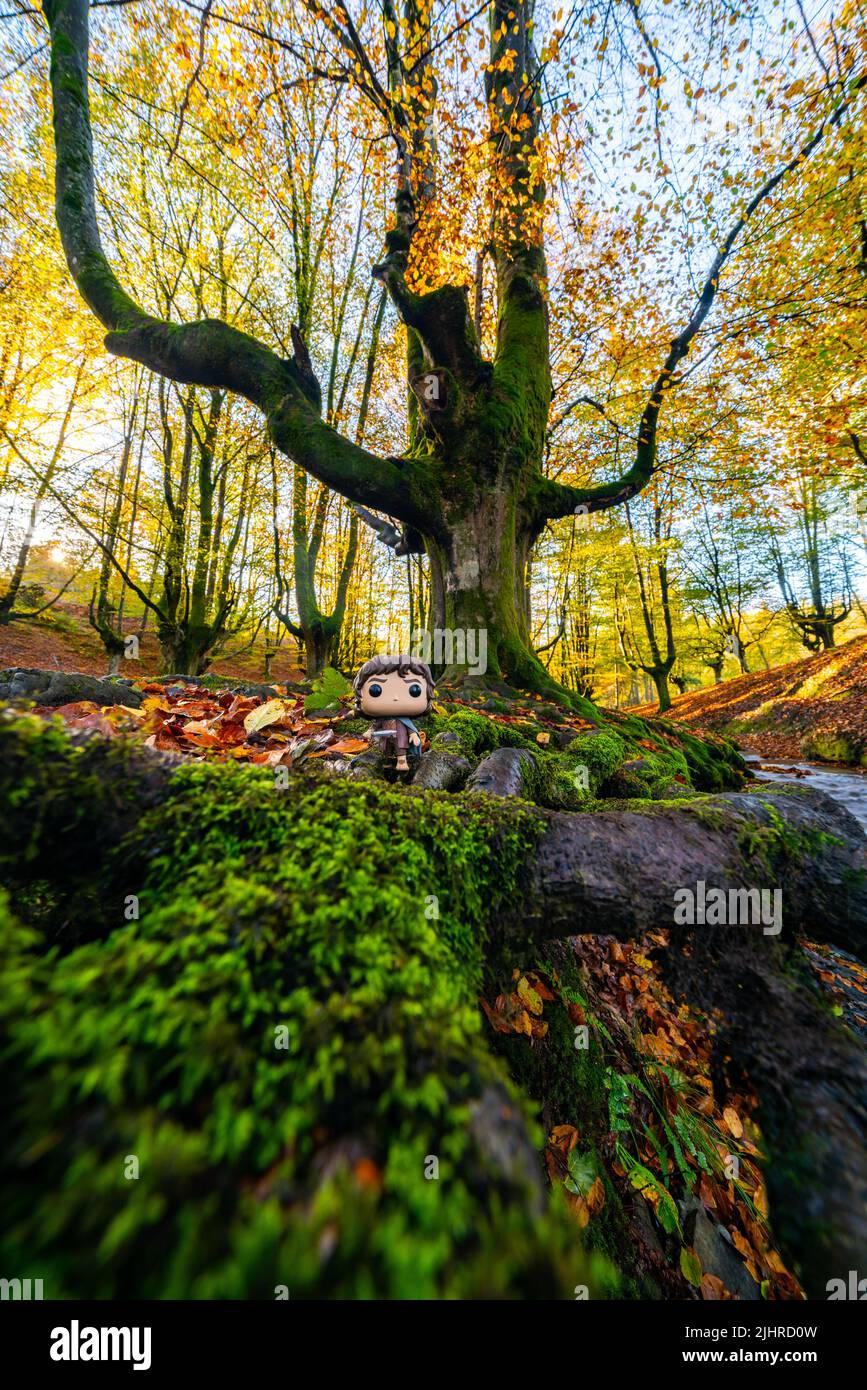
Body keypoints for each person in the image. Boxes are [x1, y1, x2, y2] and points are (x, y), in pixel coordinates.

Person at [353, 654, 435, 773]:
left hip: (400, 737)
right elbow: (375, 725)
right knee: (385, 749)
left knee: (400, 747)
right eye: (375, 690)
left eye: (414, 690)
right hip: (385, 738)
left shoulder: (404, 720)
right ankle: (387, 762)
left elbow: (410, 728)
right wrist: (369, 731)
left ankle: (402, 761)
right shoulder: (382, 719)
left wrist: (413, 735)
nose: (395, 697)